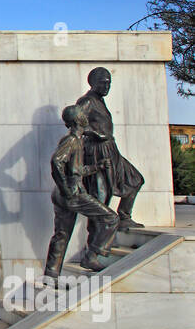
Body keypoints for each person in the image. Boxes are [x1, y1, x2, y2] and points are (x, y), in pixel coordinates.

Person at [44, 105, 120, 281]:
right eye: (82, 115)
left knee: (62, 235)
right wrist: (66, 188)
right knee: (111, 218)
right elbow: (56, 162)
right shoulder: (71, 140)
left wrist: (97, 167)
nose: (85, 117)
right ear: (78, 120)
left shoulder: (77, 140)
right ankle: (92, 256)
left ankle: (51, 273)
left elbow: (76, 169)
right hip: (73, 192)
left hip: (65, 193)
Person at [77, 67, 145, 232]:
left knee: (135, 179)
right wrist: (94, 133)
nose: (107, 87)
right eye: (103, 83)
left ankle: (124, 216)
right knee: (101, 196)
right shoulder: (87, 101)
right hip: (97, 152)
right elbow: (75, 124)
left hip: (110, 149)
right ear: (93, 83)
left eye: (109, 83)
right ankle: (97, 238)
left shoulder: (99, 100)